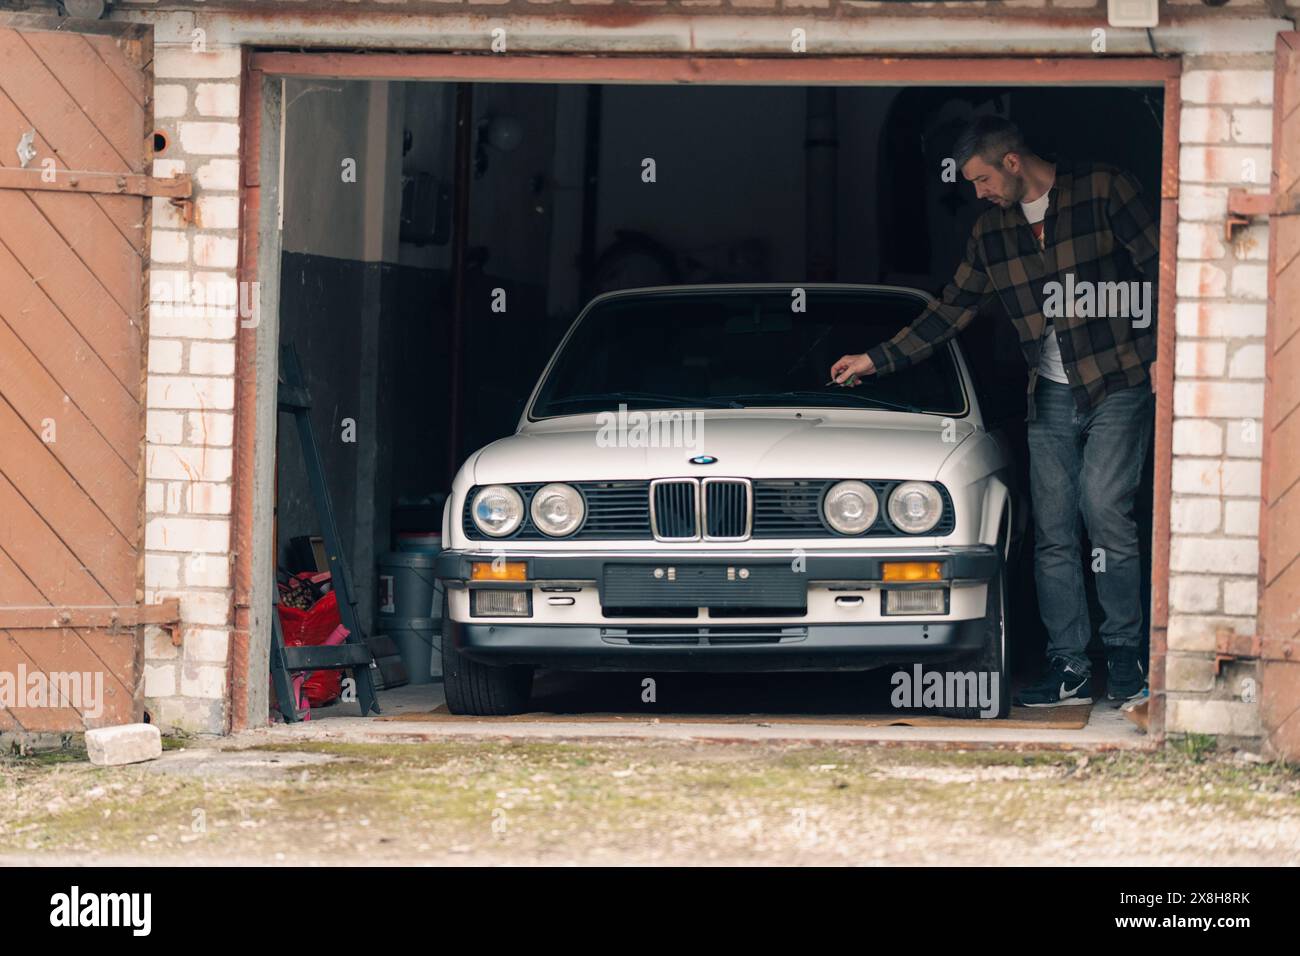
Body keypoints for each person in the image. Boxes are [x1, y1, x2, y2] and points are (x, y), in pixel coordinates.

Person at [830, 116, 1158, 707]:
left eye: (980, 179)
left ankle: (1128, 660)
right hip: (1050, 393)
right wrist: (875, 359)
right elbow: (951, 309)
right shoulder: (991, 232)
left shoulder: (1105, 189)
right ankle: (1069, 668)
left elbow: (1166, 266)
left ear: (1011, 162)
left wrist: (1164, 354)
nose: (975, 193)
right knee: (1054, 531)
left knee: (1106, 513)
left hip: (1119, 382)